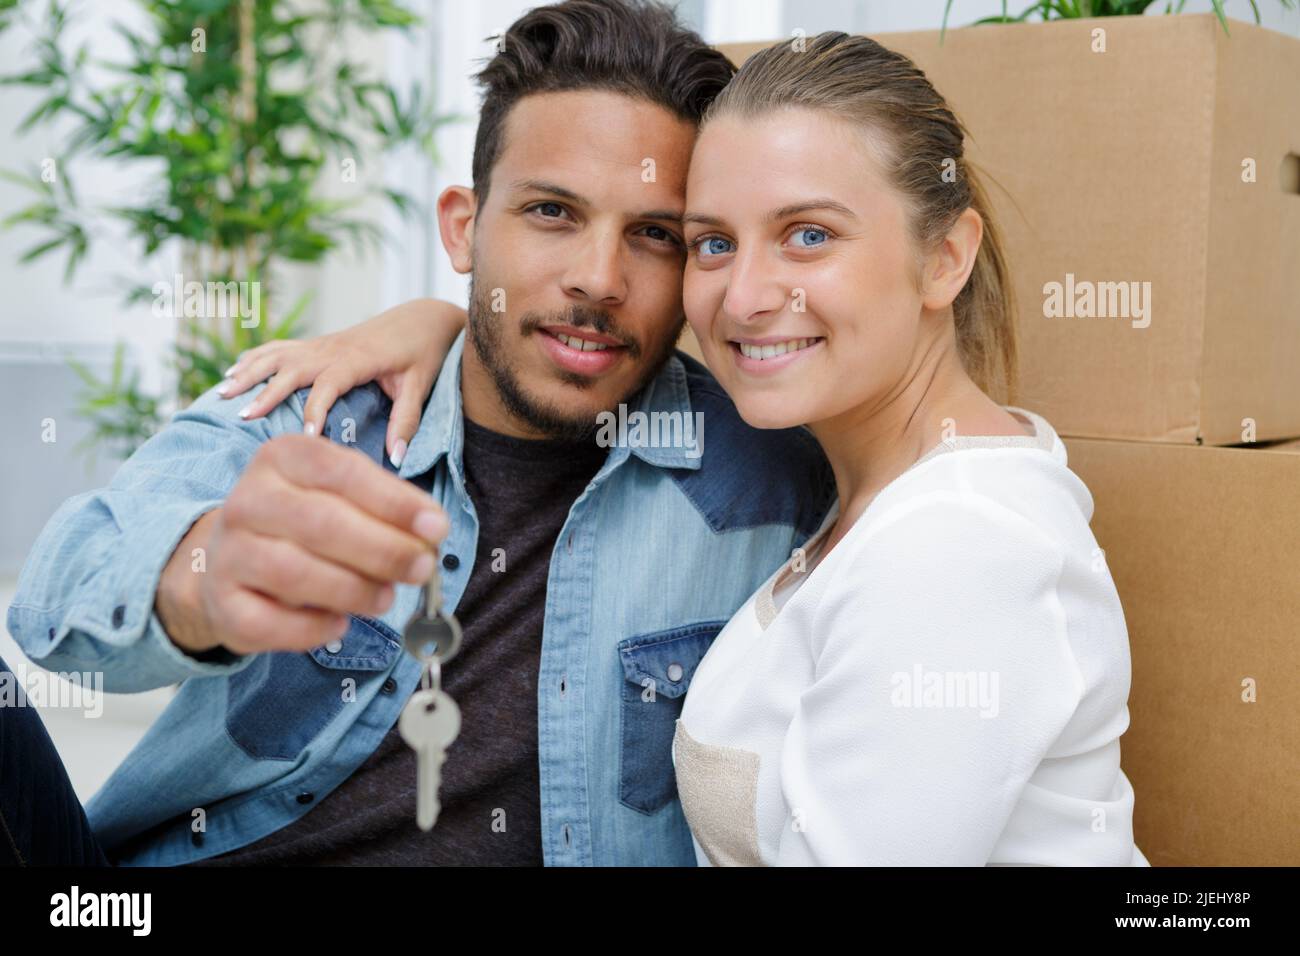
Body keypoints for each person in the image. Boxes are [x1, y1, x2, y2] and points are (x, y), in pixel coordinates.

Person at [230, 33, 1149, 866]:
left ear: (944, 258)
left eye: (809, 235)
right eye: (711, 242)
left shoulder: (958, 546)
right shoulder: (860, 491)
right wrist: (445, 324)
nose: (744, 296)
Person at [4, 0, 831, 867]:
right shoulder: (319, 408)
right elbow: (57, 603)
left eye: (654, 234)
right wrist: (203, 578)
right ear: (464, 228)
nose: (598, 279)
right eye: (552, 212)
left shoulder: (770, 485)